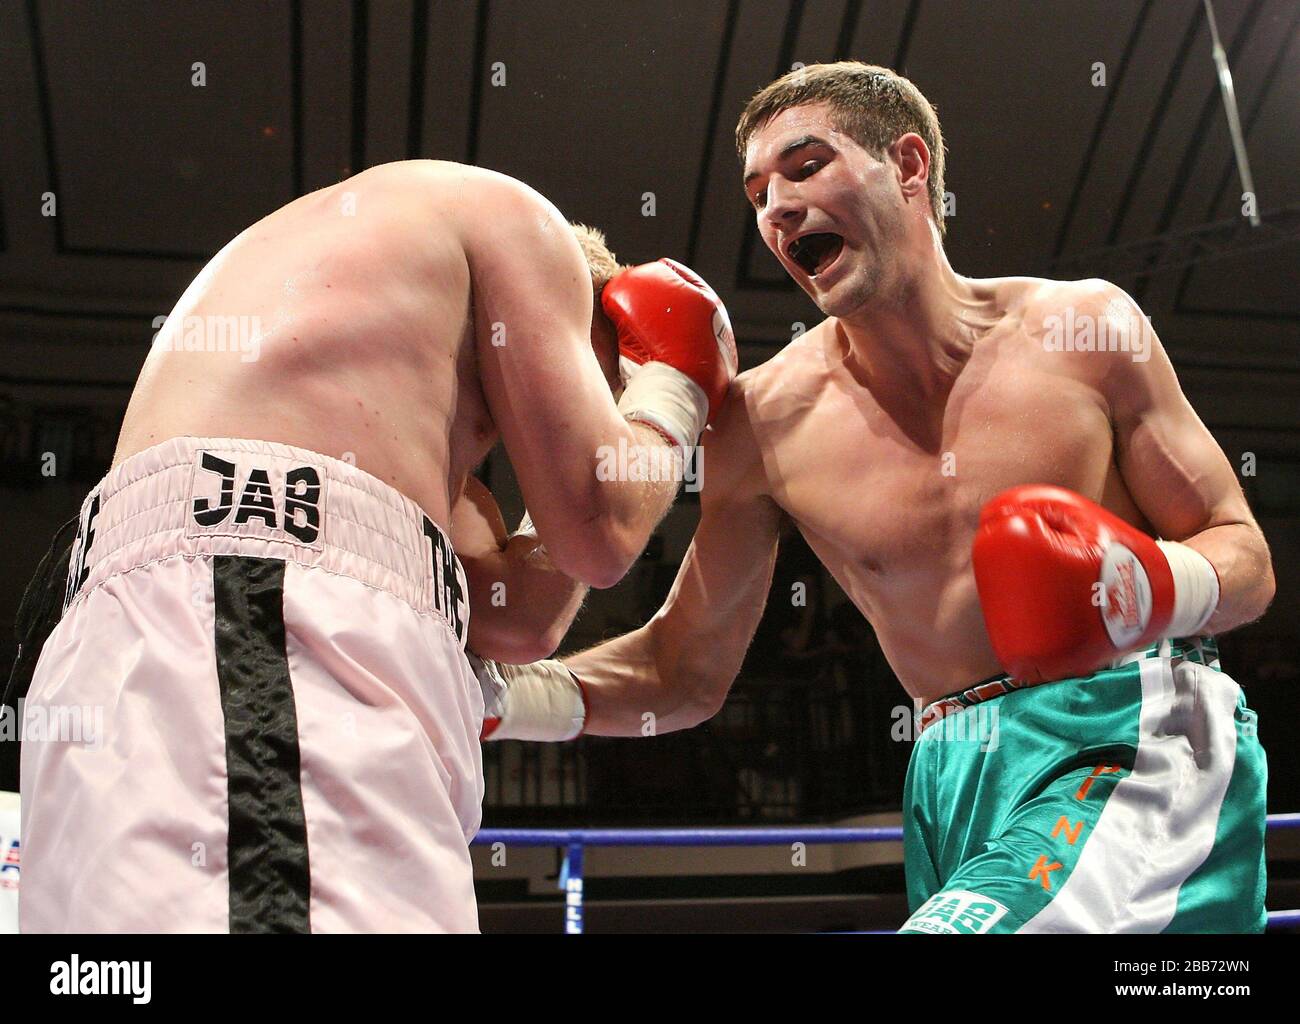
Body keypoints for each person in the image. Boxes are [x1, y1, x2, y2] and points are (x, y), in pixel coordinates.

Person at [473, 64, 1275, 934]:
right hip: (949, 770)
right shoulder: (764, 422)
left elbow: (1245, 559)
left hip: (1135, 725)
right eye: (758, 192)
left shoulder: (1085, 329)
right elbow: (682, 672)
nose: (775, 207)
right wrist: (492, 696)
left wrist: (1141, 586)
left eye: (806, 164)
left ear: (908, 163)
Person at [17, 159, 737, 933]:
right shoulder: (517, 220)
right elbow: (601, 527)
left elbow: (518, 622)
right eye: (601, 390)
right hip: (256, 619)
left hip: (198, 627)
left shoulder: (373, 381)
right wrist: (670, 386)